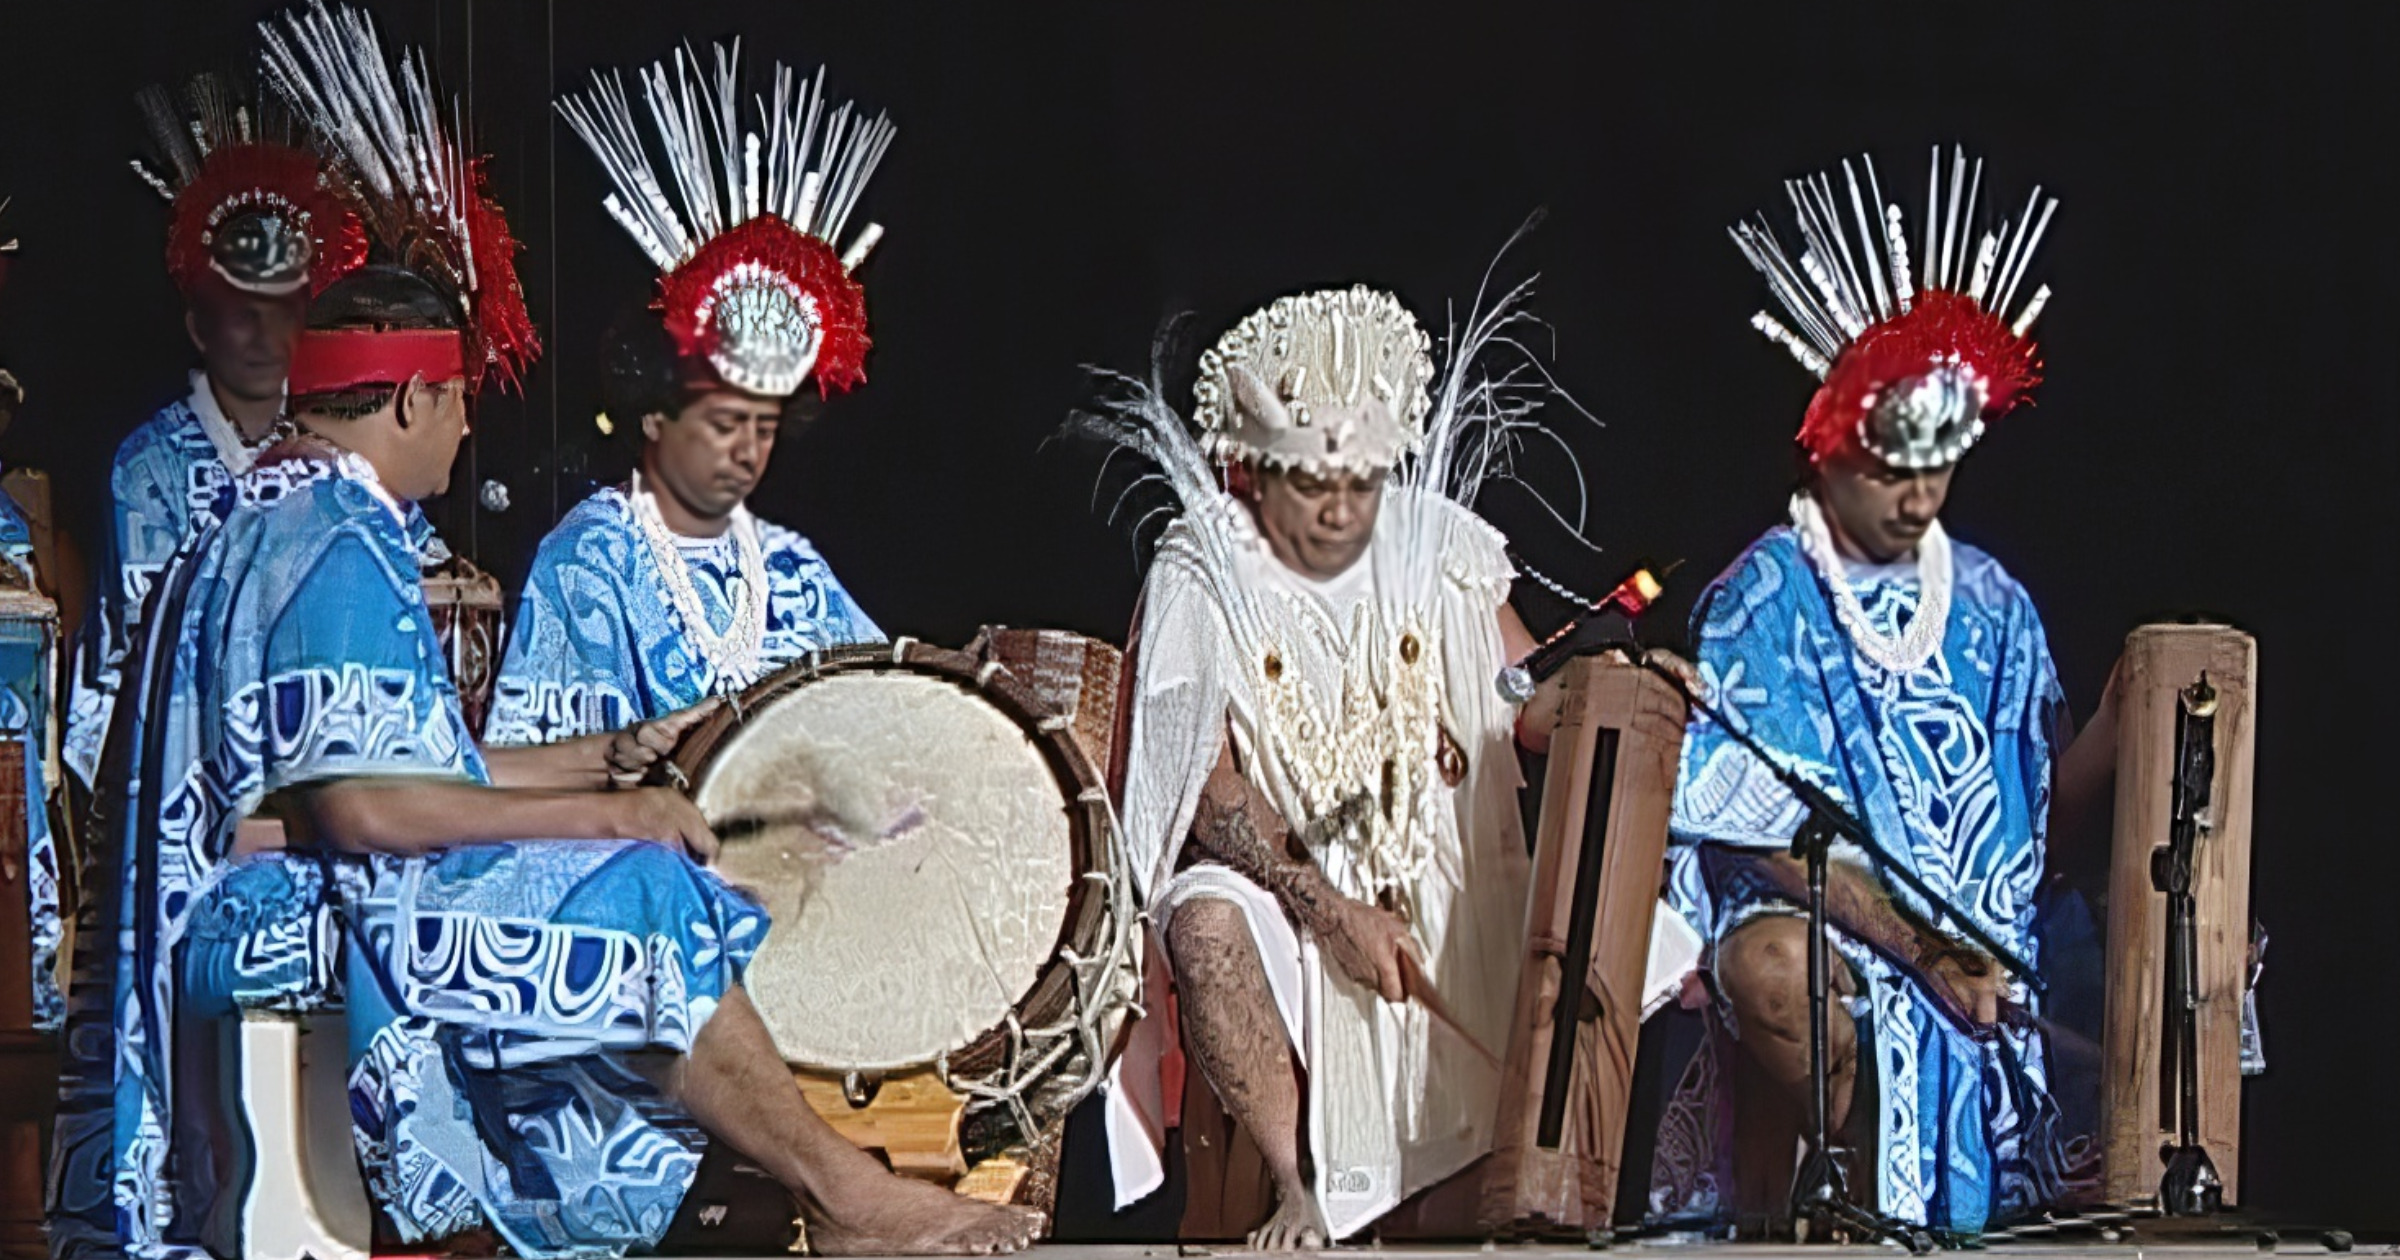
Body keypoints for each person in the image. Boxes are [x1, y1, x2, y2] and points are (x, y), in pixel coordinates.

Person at [51, 9, 1036, 1257]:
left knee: (636, 878)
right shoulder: (337, 534)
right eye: (459, 403)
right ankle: (842, 1197)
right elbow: (365, 812)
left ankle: (802, 1187)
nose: (468, 433)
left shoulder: (271, 513)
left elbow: (385, 774)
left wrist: (605, 759)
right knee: (645, 896)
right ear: (412, 396)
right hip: (270, 909)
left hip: (256, 887)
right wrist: (612, 819)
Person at [1654, 148, 2115, 1236]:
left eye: (1936, 465)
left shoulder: (1995, 602)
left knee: (2136, 962)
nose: (1917, 493)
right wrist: (1922, 949)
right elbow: (1751, 827)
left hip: (1991, 933)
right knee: (1773, 970)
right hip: (1830, 925)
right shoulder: (1764, 594)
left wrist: (2125, 721)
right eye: (1892, 464)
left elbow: (2040, 809)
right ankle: (1858, 1188)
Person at [1088, 282, 1578, 1248]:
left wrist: (1609, 684)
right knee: (1204, 918)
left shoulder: (1436, 540)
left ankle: (1496, 1174)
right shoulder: (1204, 564)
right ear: (1253, 472)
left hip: (1445, 873)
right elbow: (1208, 791)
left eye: (1361, 478)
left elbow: (1524, 701)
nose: (1342, 506)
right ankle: (1296, 1186)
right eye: (1313, 480)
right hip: (1289, 886)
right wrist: (1329, 906)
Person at [485, 43, 887, 747]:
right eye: (723, 421)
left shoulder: (792, 567)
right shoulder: (588, 559)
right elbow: (543, 765)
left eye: (764, 424)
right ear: (654, 412)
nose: (748, 450)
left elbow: (890, 713)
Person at [58, 72, 369, 789]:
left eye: (283, 312)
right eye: (240, 314)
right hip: (175, 749)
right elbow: (151, 630)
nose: (263, 338)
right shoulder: (150, 465)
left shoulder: (338, 451)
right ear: (200, 326)